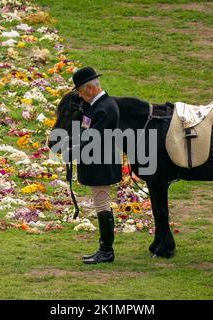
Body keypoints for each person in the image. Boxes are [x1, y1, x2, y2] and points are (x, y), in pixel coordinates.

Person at [67, 66, 122, 264]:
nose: (81, 97)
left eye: (81, 92)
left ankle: (106, 250)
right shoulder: (97, 106)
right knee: (101, 204)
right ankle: (104, 249)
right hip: (97, 162)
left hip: (101, 163)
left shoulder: (104, 109)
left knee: (102, 205)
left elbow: (93, 139)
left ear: (89, 89)